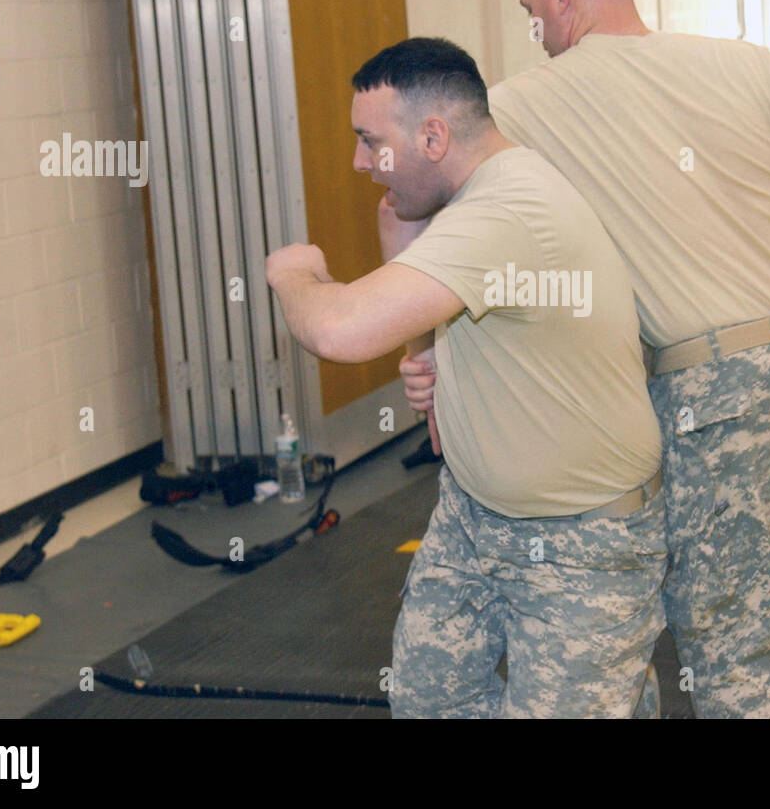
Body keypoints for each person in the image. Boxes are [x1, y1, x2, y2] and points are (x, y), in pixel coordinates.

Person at [393, 0, 770, 719]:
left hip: (714, 391)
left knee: (736, 629)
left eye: (532, 9)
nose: (534, 31)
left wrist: (425, 351)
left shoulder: (523, 104)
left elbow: (414, 202)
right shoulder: (742, 61)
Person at [268, 37, 668, 717]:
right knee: (429, 700)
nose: (359, 162)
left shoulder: (504, 213)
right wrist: (429, 356)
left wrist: (293, 273)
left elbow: (338, 329)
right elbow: (401, 225)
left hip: (580, 541)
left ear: (432, 135)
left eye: (371, 142)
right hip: (476, 514)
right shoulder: (472, 190)